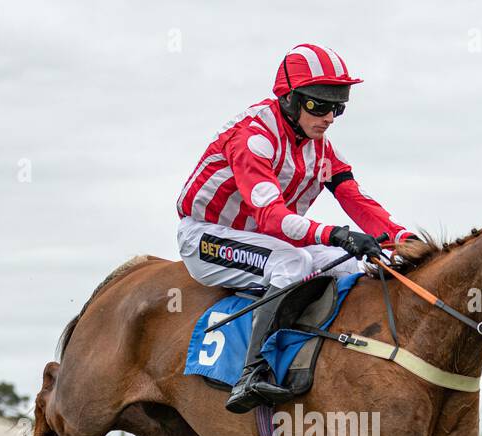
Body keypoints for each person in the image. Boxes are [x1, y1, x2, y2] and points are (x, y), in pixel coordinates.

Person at [176, 43, 415, 412]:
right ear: (289, 100)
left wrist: (402, 238)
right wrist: (334, 233)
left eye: (337, 107)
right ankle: (251, 374)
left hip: (266, 237)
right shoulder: (253, 138)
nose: (329, 117)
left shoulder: (322, 148)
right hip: (206, 237)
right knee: (293, 264)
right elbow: (272, 216)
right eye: (318, 106)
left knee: (352, 263)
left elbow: (357, 201)